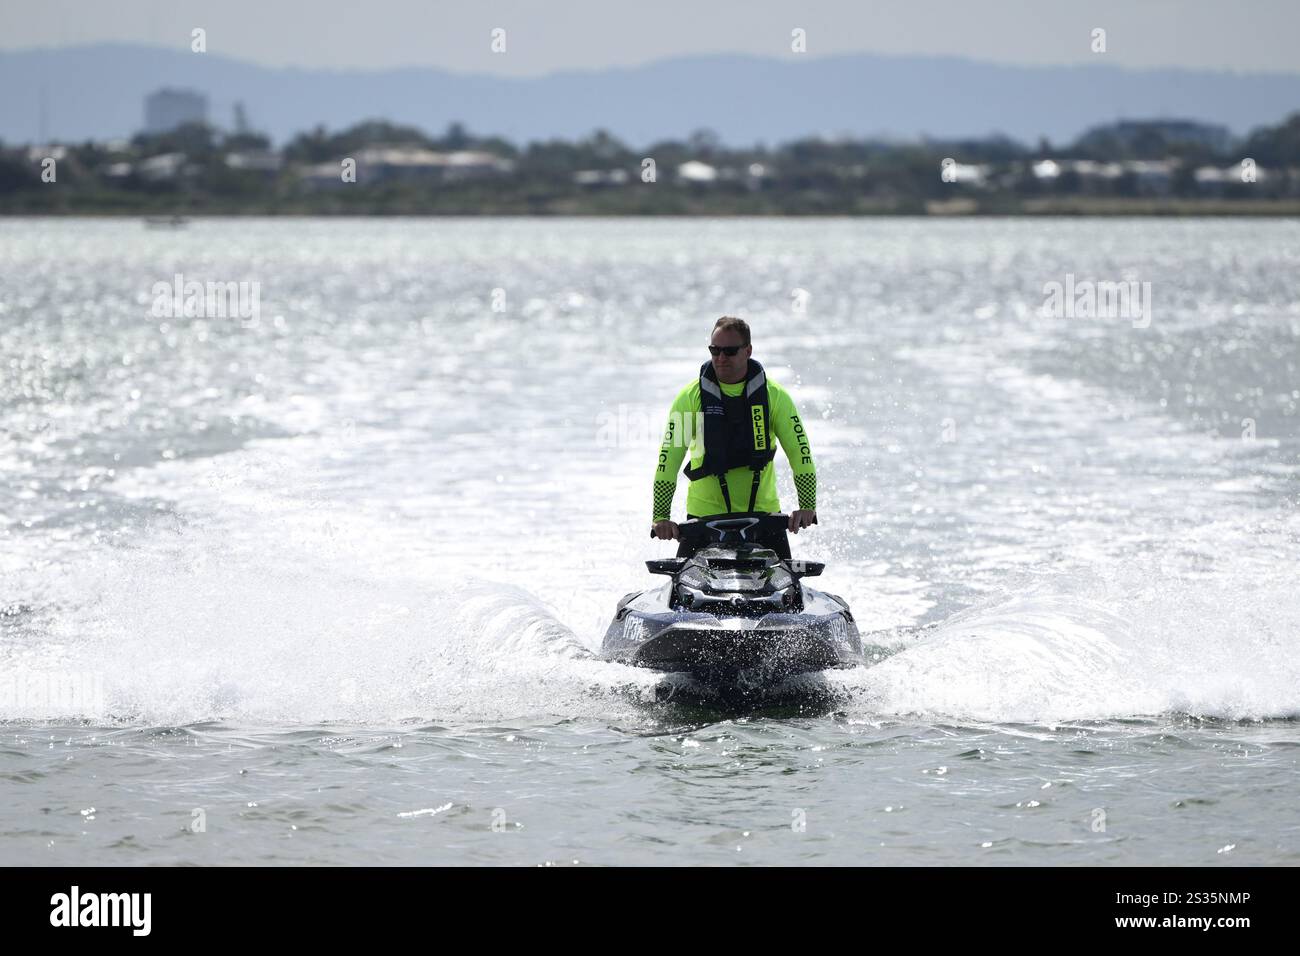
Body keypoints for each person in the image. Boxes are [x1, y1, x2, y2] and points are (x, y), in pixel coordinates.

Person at [650, 316, 818, 559]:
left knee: (792, 596)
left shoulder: (776, 397)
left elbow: (801, 455)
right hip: (703, 521)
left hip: (764, 520)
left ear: (748, 351)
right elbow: (668, 460)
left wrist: (807, 506)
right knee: (677, 596)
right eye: (714, 350)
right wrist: (661, 517)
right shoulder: (689, 398)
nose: (720, 358)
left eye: (729, 351)